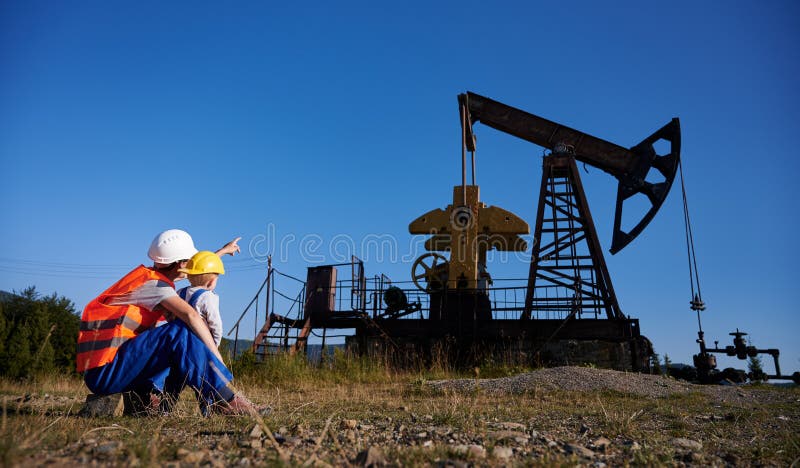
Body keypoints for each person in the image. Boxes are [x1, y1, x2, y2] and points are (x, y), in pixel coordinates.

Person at [77, 229, 261, 416]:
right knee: (180, 332)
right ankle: (224, 400)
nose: (191, 266)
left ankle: (154, 395)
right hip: (105, 373)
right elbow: (191, 315)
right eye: (189, 260)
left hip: (111, 366)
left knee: (176, 333)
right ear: (180, 264)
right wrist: (216, 356)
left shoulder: (151, 279)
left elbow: (198, 271)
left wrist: (221, 252)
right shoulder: (157, 287)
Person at [176, 251, 226, 348]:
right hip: (198, 343)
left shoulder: (180, 292)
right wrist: (215, 345)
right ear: (211, 282)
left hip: (178, 340)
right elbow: (215, 324)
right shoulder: (208, 297)